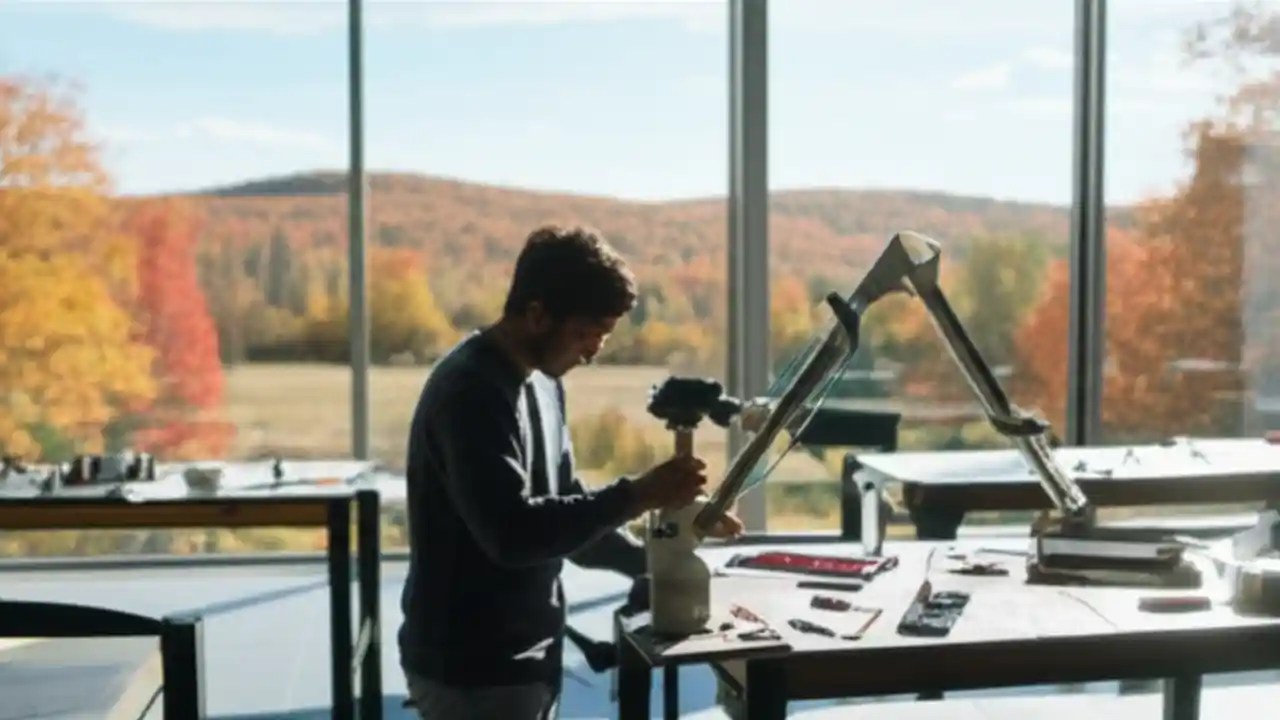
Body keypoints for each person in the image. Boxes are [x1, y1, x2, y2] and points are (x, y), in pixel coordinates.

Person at [397, 224, 744, 720]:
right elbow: (513, 534)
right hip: (472, 670)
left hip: (527, 660)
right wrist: (641, 494)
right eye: (588, 332)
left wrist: (662, 560)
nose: (595, 349)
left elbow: (572, 528)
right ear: (537, 315)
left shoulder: (543, 384)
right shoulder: (469, 393)